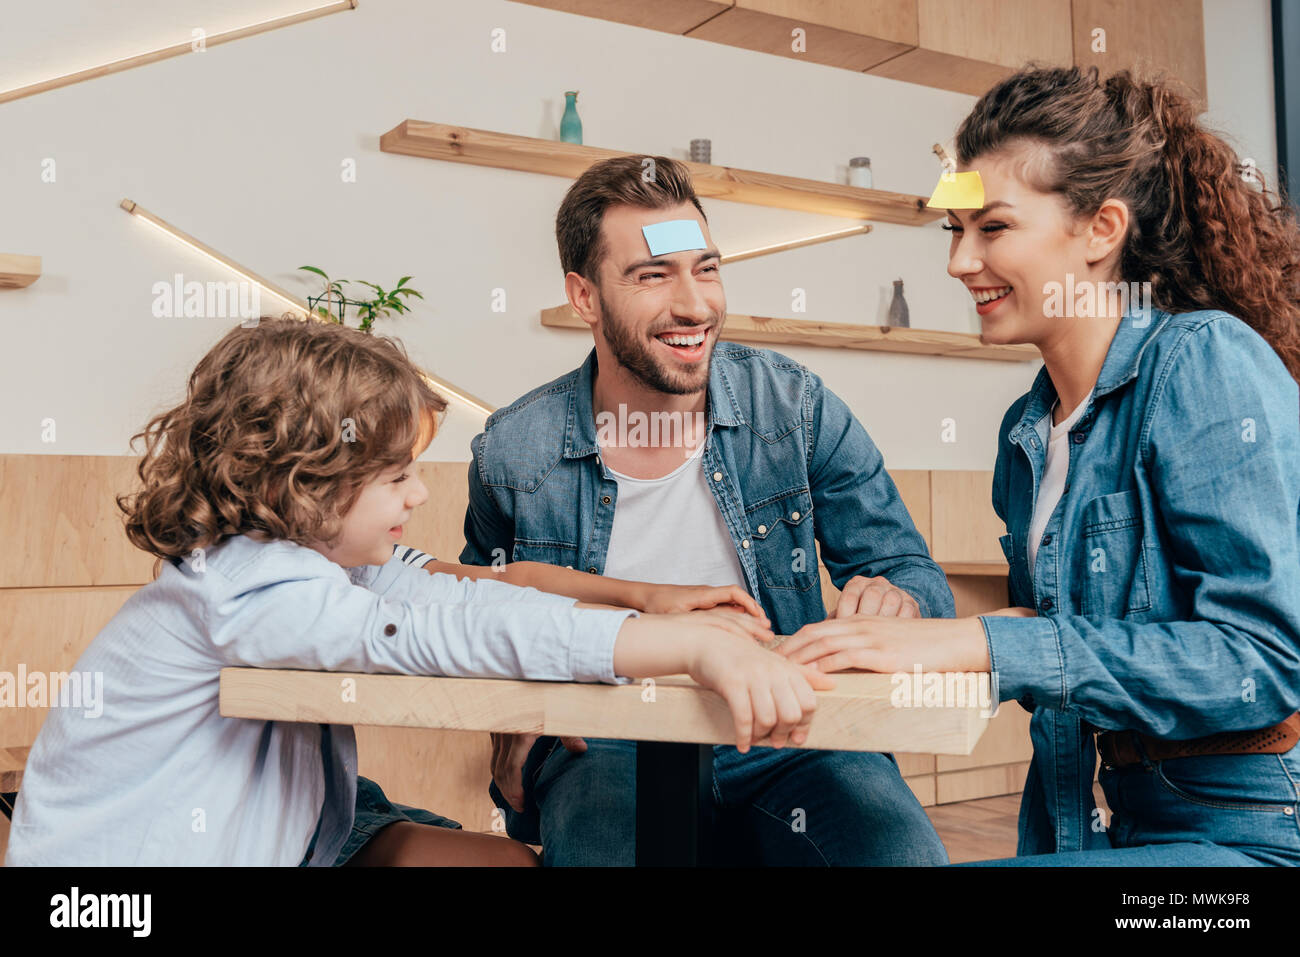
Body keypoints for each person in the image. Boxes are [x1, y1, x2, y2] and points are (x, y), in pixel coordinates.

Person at [4, 315, 831, 867]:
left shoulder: (321, 566)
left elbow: (475, 601)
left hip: (300, 833)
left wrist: (648, 620)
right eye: (396, 476)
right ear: (308, 485)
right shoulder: (247, 586)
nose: (418, 496)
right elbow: (427, 638)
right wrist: (685, 646)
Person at [780, 66, 1300, 865]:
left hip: (1254, 837)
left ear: (1102, 230)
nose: (959, 262)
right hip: (1128, 827)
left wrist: (985, 643)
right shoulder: (1029, 431)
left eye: (992, 229)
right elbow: (1065, 667)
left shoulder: (1204, 361)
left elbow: (1263, 662)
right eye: (954, 232)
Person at [463, 155, 955, 866]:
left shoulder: (795, 407)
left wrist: (899, 599)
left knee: (899, 855)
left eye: (707, 268)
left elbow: (910, 571)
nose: (693, 304)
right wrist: (511, 710)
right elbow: (475, 617)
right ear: (585, 296)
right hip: (603, 738)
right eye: (653, 275)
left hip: (787, 728)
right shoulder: (513, 449)